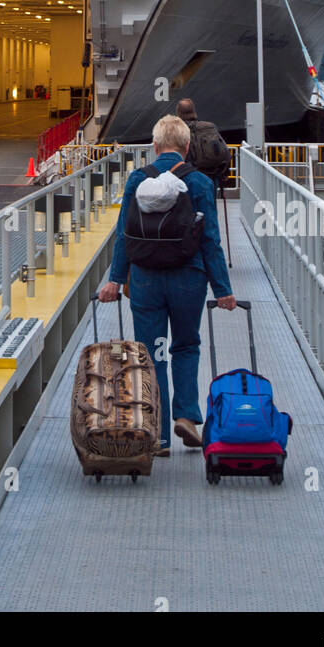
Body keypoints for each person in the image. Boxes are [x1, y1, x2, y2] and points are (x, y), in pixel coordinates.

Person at [97, 114, 235, 455]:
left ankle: (156, 434)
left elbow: (123, 235)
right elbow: (211, 241)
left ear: (155, 146)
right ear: (188, 148)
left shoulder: (136, 180)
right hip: (189, 278)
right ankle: (186, 416)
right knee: (186, 346)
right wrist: (223, 290)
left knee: (151, 353)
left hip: (144, 280)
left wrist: (115, 280)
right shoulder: (200, 182)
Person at [176, 97, 232, 187]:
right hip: (211, 175)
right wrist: (225, 173)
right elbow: (225, 152)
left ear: (179, 113)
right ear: (194, 111)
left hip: (188, 176)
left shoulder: (178, 130)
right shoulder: (210, 127)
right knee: (210, 200)